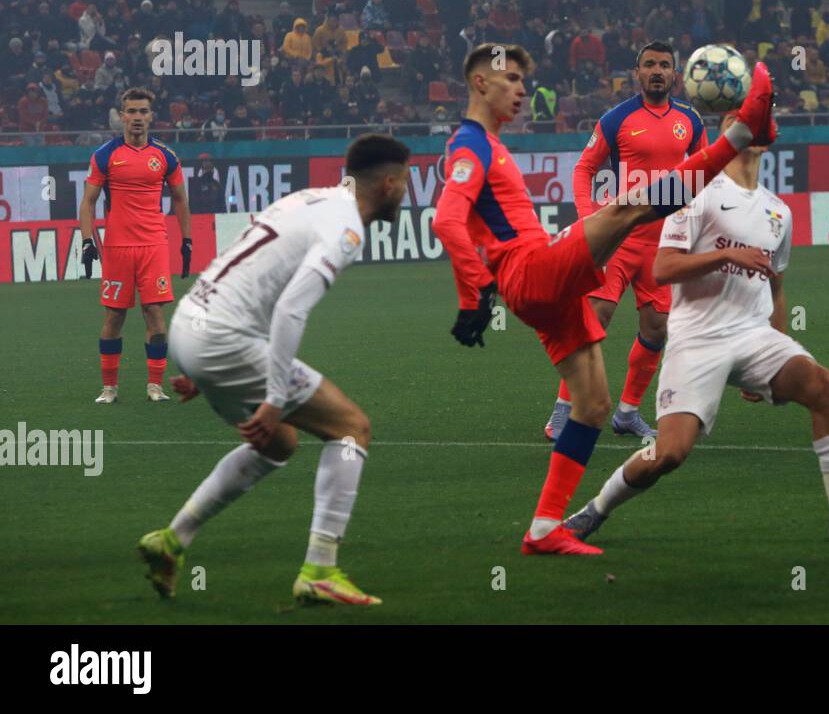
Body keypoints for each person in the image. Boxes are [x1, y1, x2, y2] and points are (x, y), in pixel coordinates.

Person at [433, 44, 775, 555]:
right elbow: (444, 218)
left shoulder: (491, 144)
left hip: (536, 288)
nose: (523, 89)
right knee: (630, 209)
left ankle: (545, 530)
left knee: (592, 406)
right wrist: (472, 294)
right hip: (529, 269)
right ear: (480, 84)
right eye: (512, 80)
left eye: (525, 80)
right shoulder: (471, 145)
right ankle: (740, 136)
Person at [564, 112, 829, 545]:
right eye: (742, 120)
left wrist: (778, 345)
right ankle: (594, 510)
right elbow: (663, 267)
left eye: (759, 123)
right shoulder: (696, 194)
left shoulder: (779, 211)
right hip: (697, 340)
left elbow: (777, 289)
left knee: (823, 386)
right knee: (670, 454)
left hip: (754, 336)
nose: (752, 128)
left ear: (768, 141)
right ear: (726, 133)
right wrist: (724, 257)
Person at [137, 134, 411, 607]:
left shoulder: (310, 199)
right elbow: (288, 310)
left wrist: (204, 364)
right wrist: (275, 396)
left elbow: (249, 273)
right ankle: (321, 570)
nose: (407, 191)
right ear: (388, 184)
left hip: (192, 324)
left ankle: (172, 540)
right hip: (222, 339)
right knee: (350, 427)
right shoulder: (346, 228)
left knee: (279, 443)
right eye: (405, 181)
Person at [542, 42, 706, 442]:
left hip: (664, 242)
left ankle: (628, 413)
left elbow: (704, 172)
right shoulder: (617, 119)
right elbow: (584, 169)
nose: (657, 71)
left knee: (657, 328)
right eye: (649, 64)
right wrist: (589, 218)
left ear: (675, 75)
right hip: (619, 239)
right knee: (594, 318)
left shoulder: (692, 121)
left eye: (664, 65)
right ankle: (564, 411)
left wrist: (699, 219)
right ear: (636, 73)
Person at [79, 87, 191, 405]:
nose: (138, 117)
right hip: (117, 247)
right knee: (114, 317)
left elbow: (181, 199)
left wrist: (187, 239)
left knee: (154, 315)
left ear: (151, 116)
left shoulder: (166, 156)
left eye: (143, 111)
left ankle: (155, 386)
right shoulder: (105, 155)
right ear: (122, 115)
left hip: (153, 244)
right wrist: (88, 241)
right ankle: (109, 388)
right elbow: (87, 203)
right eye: (132, 111)